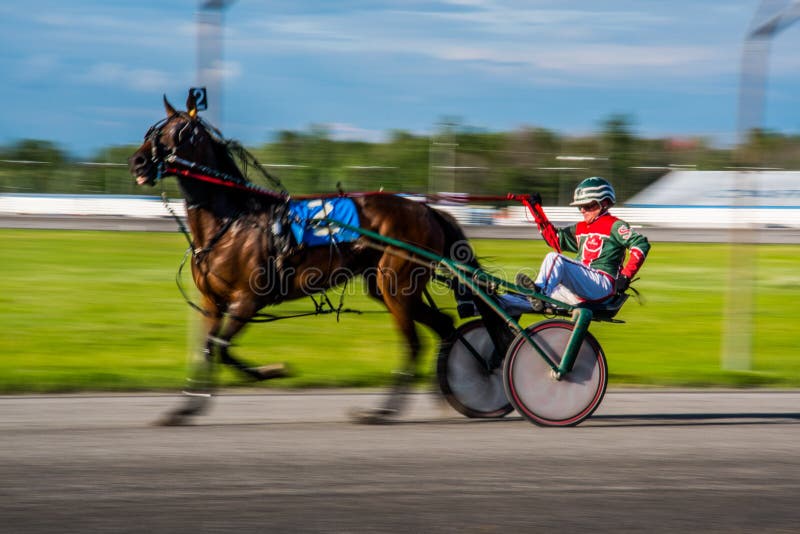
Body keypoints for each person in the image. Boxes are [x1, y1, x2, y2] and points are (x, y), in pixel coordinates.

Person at [515, 176, 650, 309]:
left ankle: (539, 293)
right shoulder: (580, 227)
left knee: (554, 259)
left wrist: (626, 276)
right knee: (514, 300)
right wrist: (536, 210)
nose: (582, 210)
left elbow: (641, 244)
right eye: (580, 206)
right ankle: (524, 302)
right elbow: (554, 239)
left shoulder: (615, 225)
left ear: (604, 203)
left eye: (587, 205)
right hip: (580, 289)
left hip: (602, 285)